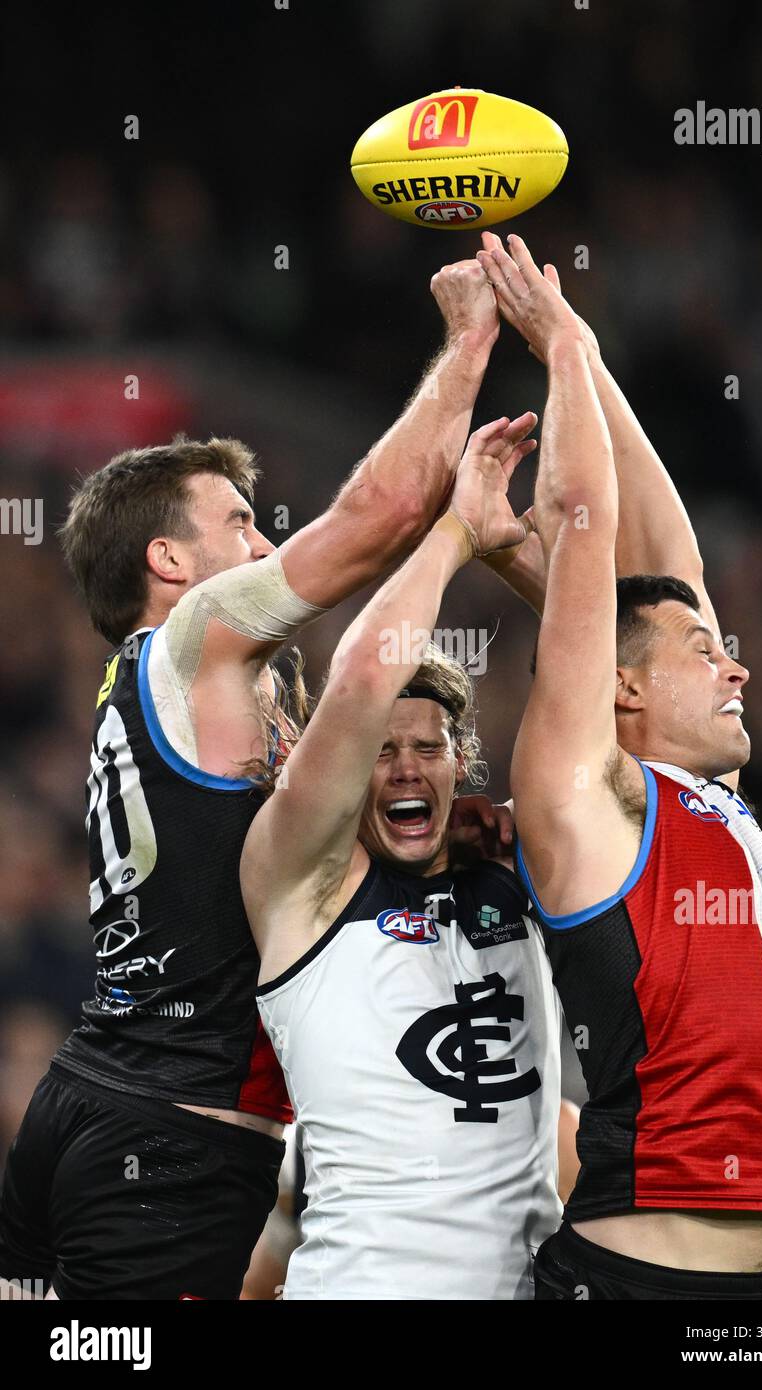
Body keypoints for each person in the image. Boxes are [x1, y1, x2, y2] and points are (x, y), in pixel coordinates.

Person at [0, 258, 518, 1301]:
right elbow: (379, 511)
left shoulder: (140, 693)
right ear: (168, 561)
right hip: (174, 1139)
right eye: (238, 521)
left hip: (93, 1101)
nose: (266, 539)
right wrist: (465, 352)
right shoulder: (192, 636)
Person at [476, 232, 762, 1301]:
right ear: (623, 692)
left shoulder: (705, 800)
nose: (737, 666)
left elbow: (665, 565)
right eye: (705, 655)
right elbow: (591, 544)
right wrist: (557, 359)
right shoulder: (587, 796)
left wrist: (580, 342)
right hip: (642, 1282)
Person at [241, 416, 563, 1300]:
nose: (407, 767)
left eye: (429, 747)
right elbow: (358, 681)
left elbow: (623, 681)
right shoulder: (298, 882)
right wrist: (456, 534)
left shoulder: (520, 865)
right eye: (382, 752)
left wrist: (509, 555)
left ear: (463, 762)